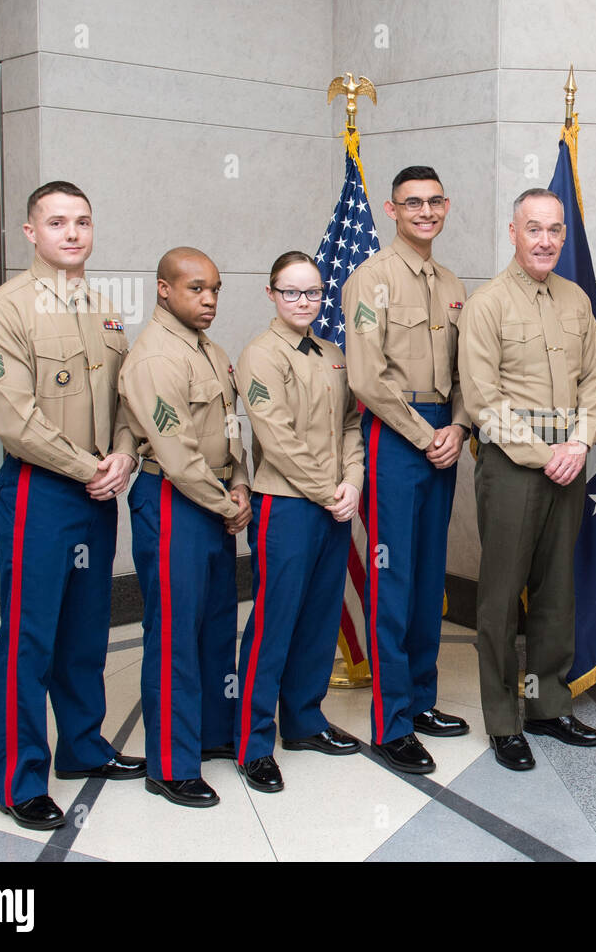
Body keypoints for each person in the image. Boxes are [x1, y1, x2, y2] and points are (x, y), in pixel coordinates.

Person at [0, 180, 145, 831]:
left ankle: (83, 746)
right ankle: (19, 779)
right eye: (57, 221)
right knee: (29, 639)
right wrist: (90, 466)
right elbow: (15, 419)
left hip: (98, 491)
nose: (72, 232)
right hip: (41, 491)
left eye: (83, 221)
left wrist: (124, 454)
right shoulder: (3, 314)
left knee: (85, 631)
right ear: (30, 233)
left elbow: (127, 399)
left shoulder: (105, 310)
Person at [458, 188, 596, 771]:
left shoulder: (575, 301)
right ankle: (502, 720)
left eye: (554, 230)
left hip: (569, 461)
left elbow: (595, 380)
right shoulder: (488, 304)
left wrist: (579, 441)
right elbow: (481, 397)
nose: (544, 240)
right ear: (513, 232)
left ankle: (546, 706)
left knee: (556, 591)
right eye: (533, 229)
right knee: (499, 598)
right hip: (513, 466)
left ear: (564, 236)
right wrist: (543, 452)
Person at [343, 167, 472, 775]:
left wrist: (461, 427)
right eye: (411, 203)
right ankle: (392, 723)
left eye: (433, 202)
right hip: (397, 437)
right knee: (392, 580)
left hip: (444, 432)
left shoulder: (451, 282)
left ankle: (422, 701)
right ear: (392, 210)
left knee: (425, 577)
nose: (424, 211)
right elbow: (367, 378)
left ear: (445, 207)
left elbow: (472, 369)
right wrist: (427, 436)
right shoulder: (371, 279)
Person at [119, 247, 249, 808]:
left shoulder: (213, 352)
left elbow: (233, 426)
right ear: (163, 290)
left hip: (218, 497)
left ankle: (214, 731)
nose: (209, 300)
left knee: (218, 623)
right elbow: (175, 451)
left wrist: (240, 483)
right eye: (196, 289)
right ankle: (171, 762)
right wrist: (225, 503)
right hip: (176, 499)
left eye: (215, 289)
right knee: (174, 631)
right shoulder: (153, 358)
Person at [233, 252, 364, 793]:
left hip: (333, 502)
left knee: (318, 617)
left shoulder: (333, 354)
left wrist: (352, 482)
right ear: (271, 294)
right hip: (286, 504)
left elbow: (352, 423)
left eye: (312, 292)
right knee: (274, 623)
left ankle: (305, 721)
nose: (303, 302)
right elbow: (278, 437)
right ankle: (253, 741)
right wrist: (327, 489)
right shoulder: (259, 356)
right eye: (291, 292)